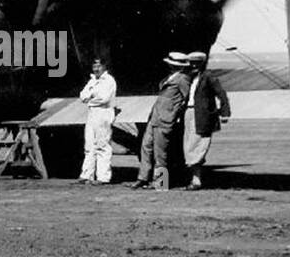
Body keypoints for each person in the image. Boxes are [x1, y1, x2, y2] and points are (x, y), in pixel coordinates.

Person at [128, 52, 191, 190]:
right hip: (155, 117)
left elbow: (186, 99)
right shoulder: (170, 77)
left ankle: (161, 183)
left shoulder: (182, 79)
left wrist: (173, 114)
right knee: (146, 147)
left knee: (160, 153)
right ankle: (143, 178)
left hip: (165, 120)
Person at [183, 51, 230, 190]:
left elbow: (221, 94)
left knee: (197, 146)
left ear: (202, 63)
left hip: (202, 115)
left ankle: (196, 180)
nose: (193, 65)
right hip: (190, 113)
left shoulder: (208, 77)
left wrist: (225, 112)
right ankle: (195, 178)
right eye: (191, 63)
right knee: (190, 145)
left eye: (197, 63)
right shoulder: (190, 78)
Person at [77, 56, 118, 184]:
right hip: (92, 113)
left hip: (104, 112)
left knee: (102, 144)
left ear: (104, 67)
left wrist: (90, 98)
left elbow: (104, 98)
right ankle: (86, 175)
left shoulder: (109, 80)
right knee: (89, 144)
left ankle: (103, 177)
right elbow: (82, 96)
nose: (96, 69)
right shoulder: (92, 80)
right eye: (94, 66)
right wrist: (91, 97)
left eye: (99, 66)